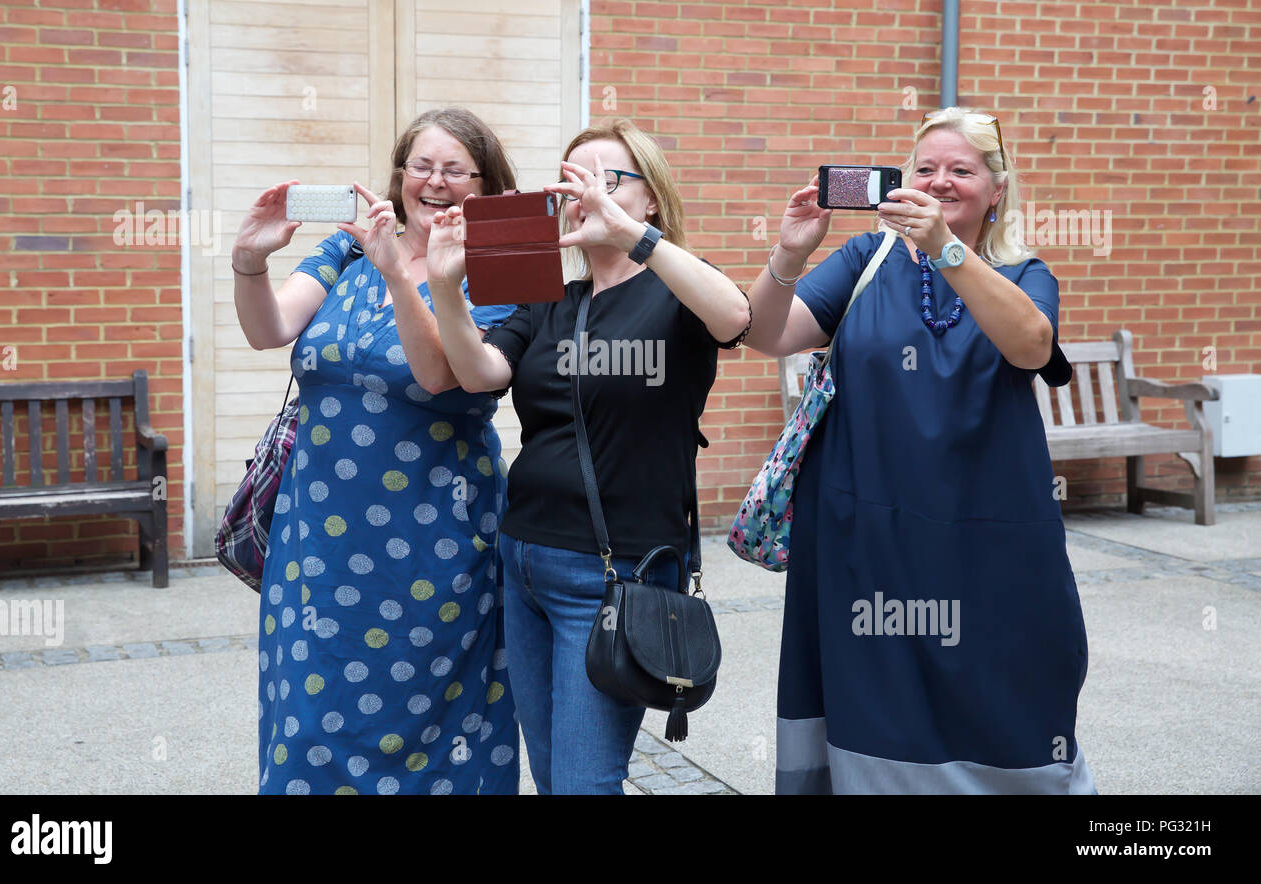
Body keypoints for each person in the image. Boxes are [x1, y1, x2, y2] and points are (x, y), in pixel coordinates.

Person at [744, 107, 1095, 794]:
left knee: (1009, 686)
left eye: (961, 170)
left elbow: (1030, 345)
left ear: (996, 188)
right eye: (925, 169)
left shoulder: (1025, 273)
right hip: (864, 535)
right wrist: (789, 252)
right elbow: (765, 335)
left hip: (989, 538)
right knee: (874, 698)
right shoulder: (864, 259)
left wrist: (947, 250)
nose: (939, 183)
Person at [424, 119, 751, 794]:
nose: (588, 194)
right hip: (523, 560)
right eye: (574, 181)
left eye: (610, 179)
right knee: (552, 775)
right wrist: (447, 288)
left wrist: (635, 240)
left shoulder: (678, 289)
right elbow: (480, 371)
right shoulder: (550, 301)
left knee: (583, 781)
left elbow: (735, 317)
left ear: (651, 198)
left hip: (615, 573)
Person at [232, 107, 522, 795]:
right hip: (318, 539)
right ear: (399, 175)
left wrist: (402, 275)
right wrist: (249, 262)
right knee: (311, 713)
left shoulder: (501, 268)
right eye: (421, 165)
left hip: (437, 539)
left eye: (456, 170)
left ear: (485, 185)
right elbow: (269, 329)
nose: (435, 182)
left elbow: (439, 375)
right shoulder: (347, 249)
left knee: (433, 717)